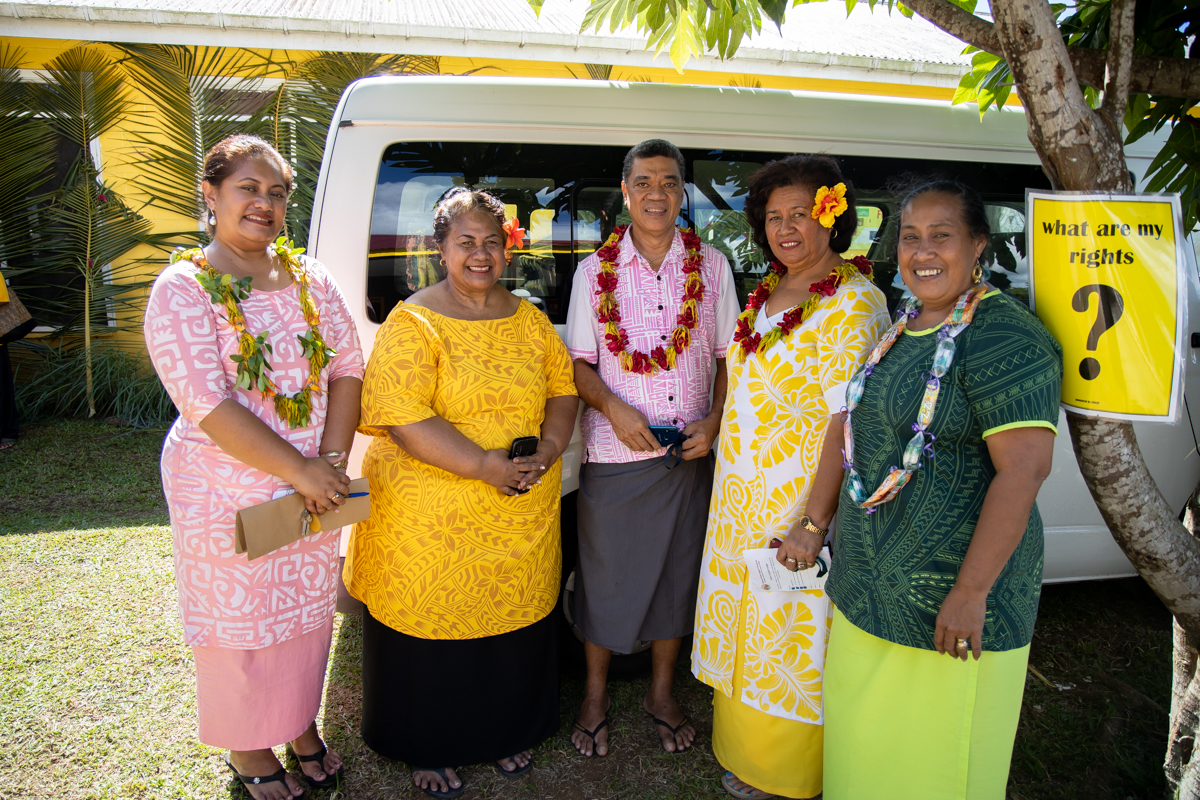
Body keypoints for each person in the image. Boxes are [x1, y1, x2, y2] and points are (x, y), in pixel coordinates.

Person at [822, 178, 1063, 799]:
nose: (922, 251)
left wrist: (971, 590)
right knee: (866, 753)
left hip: (948, 608)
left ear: (979, 244)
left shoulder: (1005, 336)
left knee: (934, 766)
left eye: (941, 236)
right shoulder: (906, 324)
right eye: (909, 237)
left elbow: (1024, 469)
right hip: (869, 594)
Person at [144, 134, 363, 800]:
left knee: (303, 616)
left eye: (276, 193)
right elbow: (207, 404)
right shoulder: (183, 288)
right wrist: (304, 471)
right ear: (210, 195)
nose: (264, 205)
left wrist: (329, 460)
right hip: (225, 489)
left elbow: (349, 368)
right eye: (248, 189)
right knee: (241, 622)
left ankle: (296, 724)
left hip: (315, 485)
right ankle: (247, 747)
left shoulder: (311, 278)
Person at [343, 187, 579, 799]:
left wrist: (550, 449)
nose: (480, 254)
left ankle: (506, 729)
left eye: (492, 243)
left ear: (509, 249)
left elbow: (562, 388)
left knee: (514, 620)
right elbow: (401, 415)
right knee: (429, 629)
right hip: (427, 515)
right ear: (440, 249)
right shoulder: (413, 321)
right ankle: (429, 744)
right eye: (466, 242)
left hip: (517, 505)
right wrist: (480, 466)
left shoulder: (527, 318)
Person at [691, 155, 889, 800]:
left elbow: (846, 421)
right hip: (740, 501)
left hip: (797, 507)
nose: (785, 229)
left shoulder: (855, 304)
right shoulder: (766, 293)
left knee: (790, 637)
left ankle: (790, 773)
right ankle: (742, 753)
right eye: (773, 217)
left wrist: (813, 521)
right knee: (745, 627)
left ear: (832, 217)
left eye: (800, 214)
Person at [565, 139, 740, 757]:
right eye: (644, 182)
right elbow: (580, 366)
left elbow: (728, 357)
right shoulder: (595, 272)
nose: (656, 193)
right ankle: (594, 694)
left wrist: (716, 418)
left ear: (682, 191)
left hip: (688, 456)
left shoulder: (714, 266)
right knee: (604, 580)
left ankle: (661, 693)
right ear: (625, 191)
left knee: (675, 577)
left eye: (668, 182)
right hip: (616, 455)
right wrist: (613, 407)